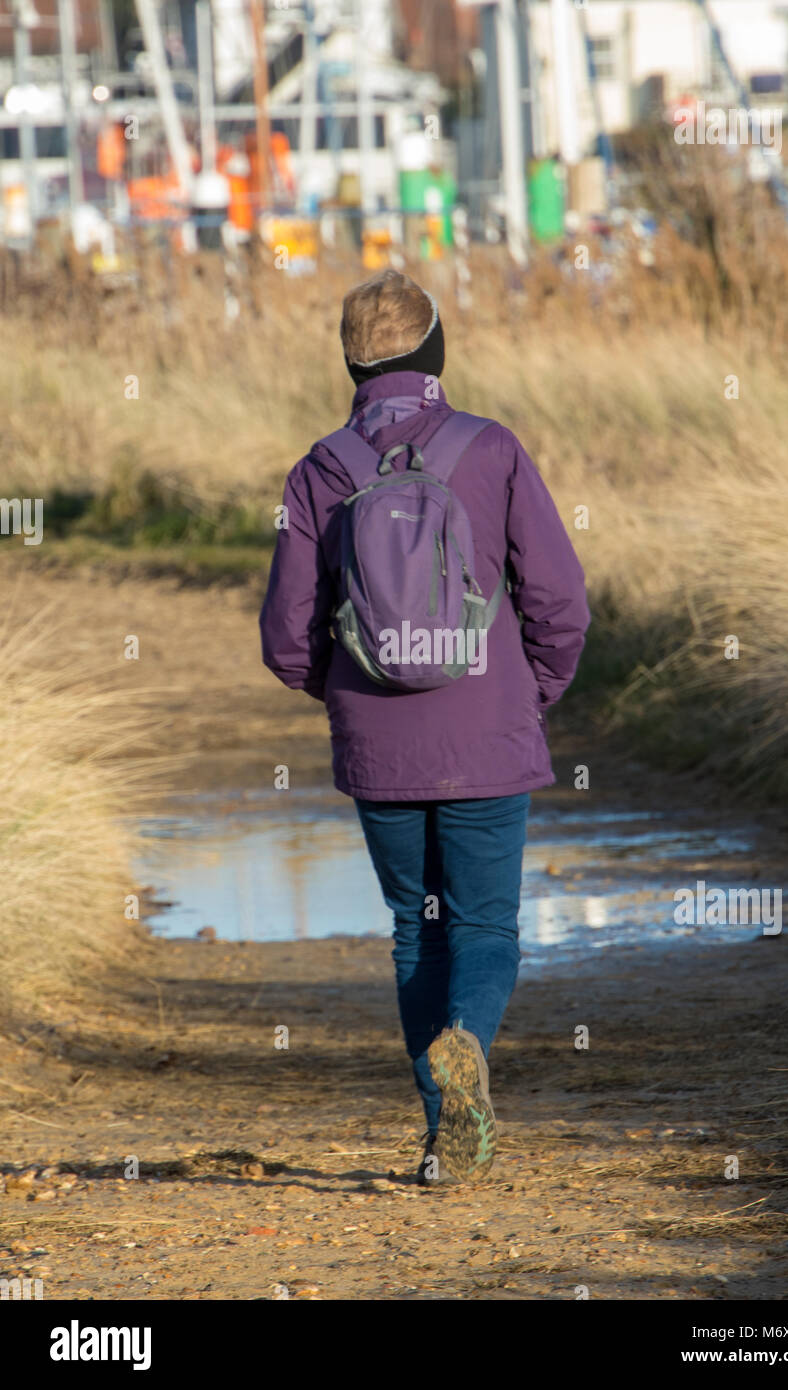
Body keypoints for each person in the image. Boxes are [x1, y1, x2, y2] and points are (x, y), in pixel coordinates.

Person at [259, 269, 590, 1185]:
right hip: (488, 728)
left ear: (350, 361)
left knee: (418, 927)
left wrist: (346, 693)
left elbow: (287, 637)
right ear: (436, 351)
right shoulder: (493, 451)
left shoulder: (319, 470)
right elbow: (561, 601)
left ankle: (445, 1139)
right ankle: (469, 1047)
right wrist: (532, 693)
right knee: (486, 925)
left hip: (379, 746)